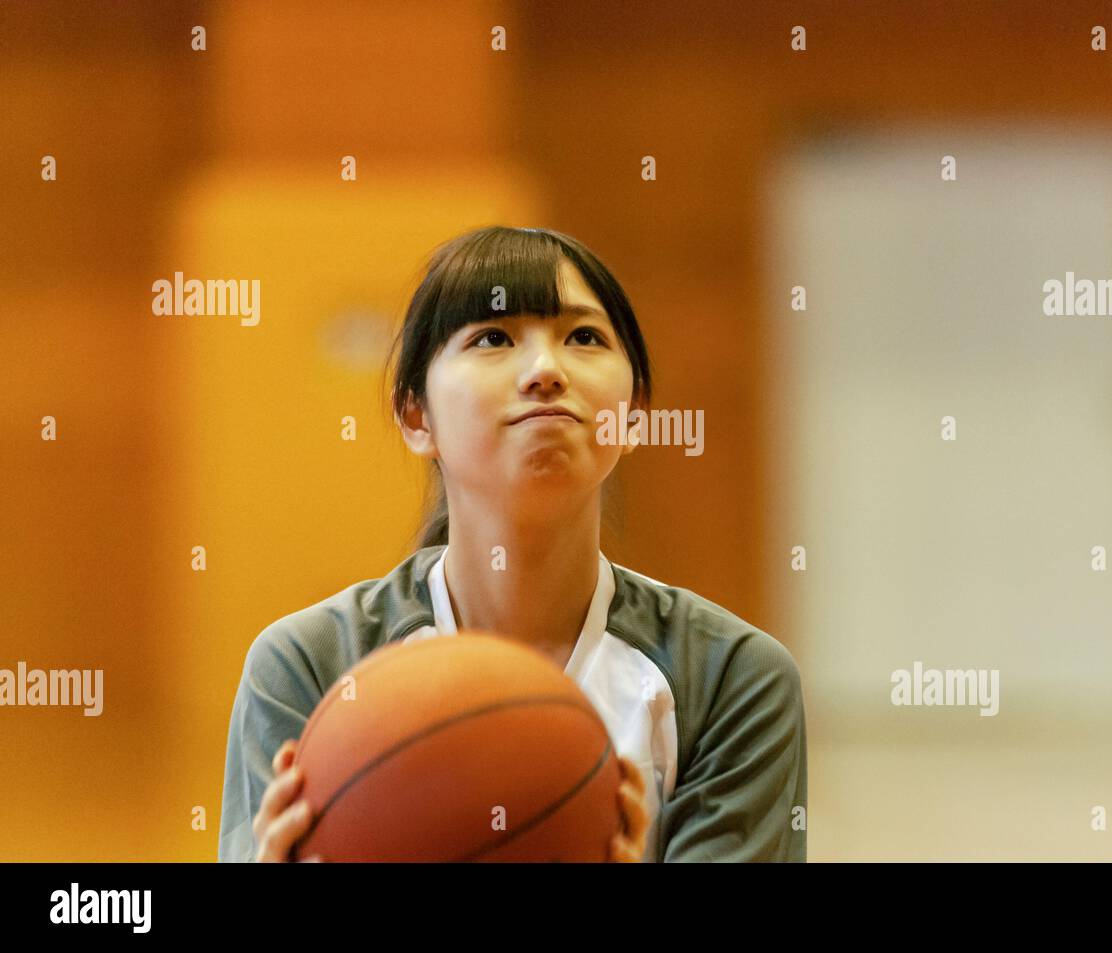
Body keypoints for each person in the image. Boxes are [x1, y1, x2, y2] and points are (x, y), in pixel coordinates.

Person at [217, 226, 807, 862]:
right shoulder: (313, 664)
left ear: (634, 414)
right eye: (493, 338)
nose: (546, 371)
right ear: (416, 416)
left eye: (584, 337)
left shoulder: (729, 678)